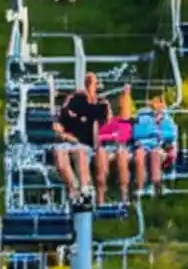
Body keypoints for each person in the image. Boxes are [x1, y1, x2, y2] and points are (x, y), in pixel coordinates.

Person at [52, 72, 110, 202]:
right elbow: (61, 120)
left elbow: (105, 125)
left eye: (92, 82)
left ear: (97, 86)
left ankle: (85, 189)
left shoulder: (101, 105)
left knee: (80, 152)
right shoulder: (74, 100)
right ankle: (74, 186)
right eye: (87, 81)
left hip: (83, 143)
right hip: (67, 140)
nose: (89, 84)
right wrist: (62, 132)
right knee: (59, 153)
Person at [95, 86, 135, 205]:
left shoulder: (119, 121)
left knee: (121, 153)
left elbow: (123, 136)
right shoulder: (96, 123)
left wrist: (126, 94)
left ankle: (124, 194)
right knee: (102, 153)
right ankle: (101, 195)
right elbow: (95, 139)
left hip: (118, 148)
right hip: (102, 149)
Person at [131, 95, 178, 197]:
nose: (158, 106)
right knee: (139, 154)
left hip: (159, 148)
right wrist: (154, 130)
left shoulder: (167, 120)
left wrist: (155, 131)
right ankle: (139, 186)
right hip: (143, 146)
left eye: (160, 103)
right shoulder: (143, 117)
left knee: (155, 153)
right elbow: (137, 133)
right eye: (156, 102)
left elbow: (171, 135)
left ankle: (156, 183)